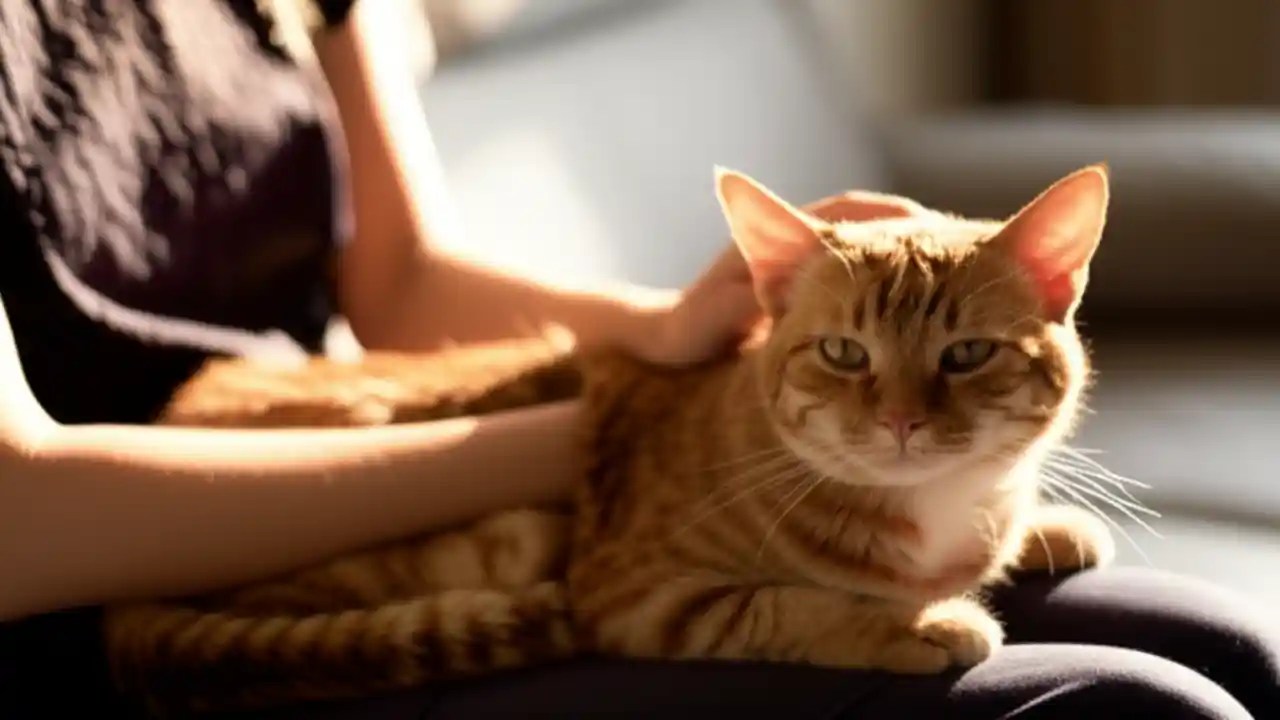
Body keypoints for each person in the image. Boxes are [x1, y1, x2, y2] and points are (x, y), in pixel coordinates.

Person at [0, 1, 1274, 718]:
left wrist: (671, 336)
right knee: (1132, 713)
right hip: (128, 584)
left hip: (383, 438)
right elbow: (15, 511)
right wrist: (616, 439)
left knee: (1223, 644)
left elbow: (396, 282)